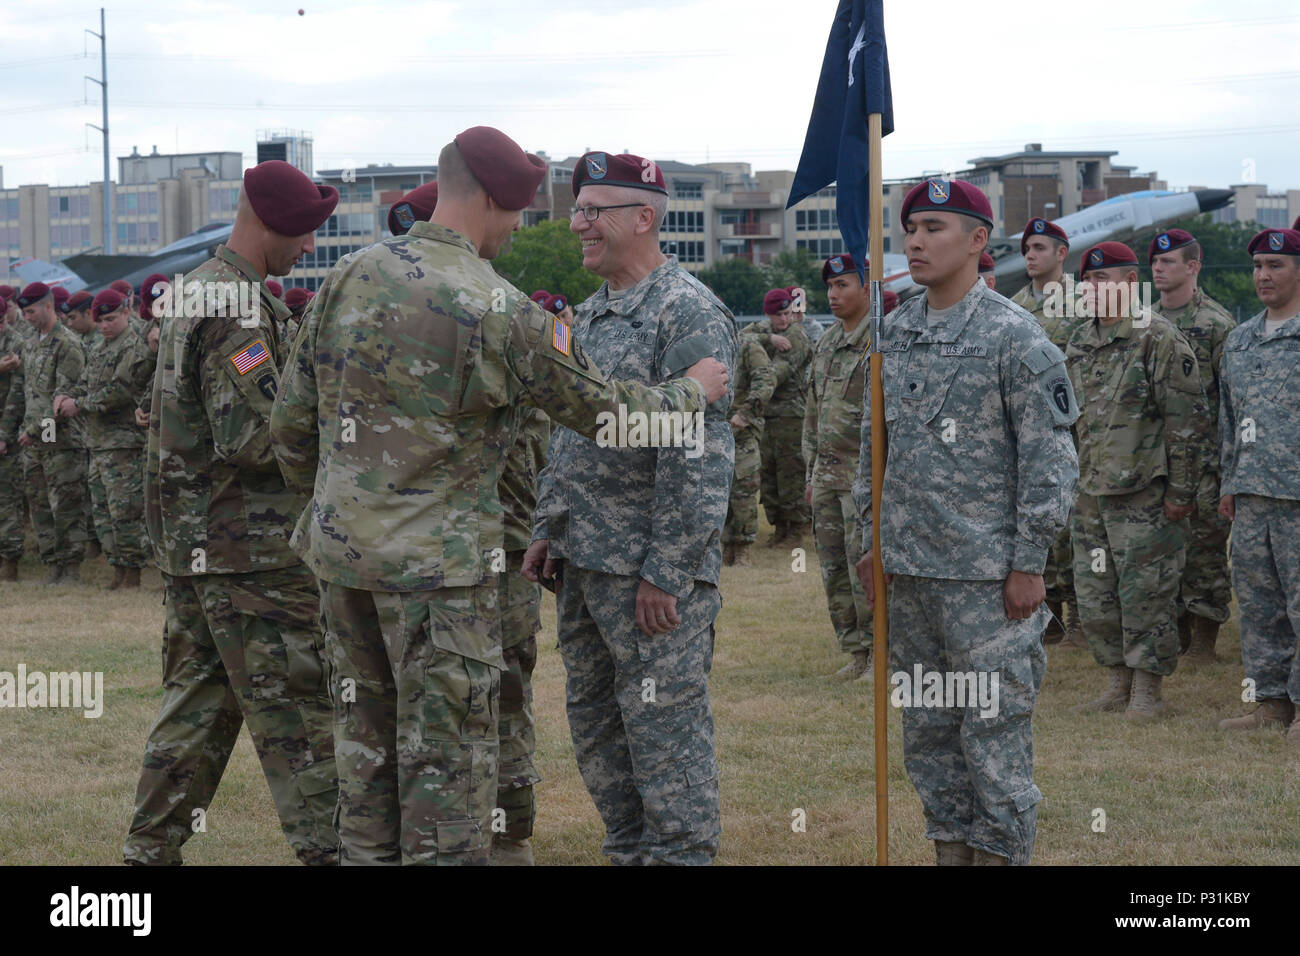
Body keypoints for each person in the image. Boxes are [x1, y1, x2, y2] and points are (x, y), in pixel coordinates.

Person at [270, 130, 728, 866]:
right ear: (490, 200)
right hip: (440, 581)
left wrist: (339, 511)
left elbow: (290, 428)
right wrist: (691, 392)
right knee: (445, 774)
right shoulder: (498, 305)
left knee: (366, 760)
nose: (523, 227)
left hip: (344, 568)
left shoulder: (348, 275)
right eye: (519, 211)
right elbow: (604, 413)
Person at [852, 179, 1079, 865]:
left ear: (979, 241)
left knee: (994, 739)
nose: (916, 241)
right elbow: (874, 446)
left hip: (985, 581)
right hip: (911, 574)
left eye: (935, 228)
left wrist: (1029, 561)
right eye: (911, 227)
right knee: (928, 735)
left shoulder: (1015, 336)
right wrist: (872, 539)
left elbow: (1052, 458)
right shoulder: (894, 332)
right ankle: (950, 853)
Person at [123, 159, 340, 866]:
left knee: (197, 708)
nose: (308, 249)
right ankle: (333, 852)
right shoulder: (235, 305)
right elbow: (254, 439)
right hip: (250, 553)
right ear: (268, 222)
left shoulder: (198, 291)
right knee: (301, 719)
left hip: (199, 544)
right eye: (303, 234)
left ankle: (149, 854)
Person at [525, 149, 738, 866]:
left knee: (663, 729)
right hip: (584, 562)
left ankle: (677, 855)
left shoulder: (687, 313)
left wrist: (667, 571)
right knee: (597, 725)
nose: (578, 224)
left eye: (594, 211)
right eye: (576, 209)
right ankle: (629, 851)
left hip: (648, 576)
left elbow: (699, 455)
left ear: (643, 217)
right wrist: (547, 524)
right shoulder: (590, 314)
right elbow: (570, 432)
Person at [1065, 241, 1209, 720]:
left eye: (1101, 279)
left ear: (1130, 283)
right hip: (1091, 494)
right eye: (1086, 280)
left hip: (1147, 492)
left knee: (1148, 594)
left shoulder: (1157, 337)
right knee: (1097, 593)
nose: (1090, 288)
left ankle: (1148, 691)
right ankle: (1117, 683)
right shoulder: (1080, 341)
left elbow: (1187, 419)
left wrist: (1182, 493)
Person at [1217, 227, 1300, 738]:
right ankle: (1269, 703)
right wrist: (1229, 481)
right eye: (1257, 267)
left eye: (1276, 266)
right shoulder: (1241, 340)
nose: (1263, 276)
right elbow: (1229, 418)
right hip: (1251, 494)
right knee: (1258, 603)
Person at [1148, 228, 1236, 662]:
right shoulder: (1143, 323)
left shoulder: (1217, 325)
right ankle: (1177, 632)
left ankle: (1205, 639)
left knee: (1204, 551)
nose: (1160, 269)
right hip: (1157, 461)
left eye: (1169, 262)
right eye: (1156, 263)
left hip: (1205, 461)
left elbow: (1233, 400)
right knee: (1165, 551)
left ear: (1193, 267)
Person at [1009, 217, 1083, 645]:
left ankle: (1079, 616)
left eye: (1040, 248)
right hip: (1027, 435)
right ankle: (1049, 613)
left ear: (1061, 253)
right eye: (1027, 249)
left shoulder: (1084, 302)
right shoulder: (1014, 307)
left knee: (1074, 529)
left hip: (1074, 430)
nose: (1031, 256)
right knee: (1041, 525)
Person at [54, 289, 154, 589]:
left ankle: (132, 572)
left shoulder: (132, 346)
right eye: (100, 321)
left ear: (126, 312)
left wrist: (79, 404)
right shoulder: (99, 347)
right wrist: (68, 396)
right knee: (103, 512)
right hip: (97, 442)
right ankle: (118, 568)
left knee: (125, 511)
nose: (105, 325)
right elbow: (85, 381)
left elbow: (121, 391)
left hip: (122, 443)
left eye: (111, 319)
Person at [805, 254, 873, 680]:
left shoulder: (881, 342)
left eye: (843, 285)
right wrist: (811, 473)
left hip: (862, 478)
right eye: (830, 287)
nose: (833, 294)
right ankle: (855, 651)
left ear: (868, 288)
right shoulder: (827, 341)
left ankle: (879, 651)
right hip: (828, 475)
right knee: (834, 570)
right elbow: (812, 412)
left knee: (862, 568)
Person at [0, 282, 88, 584]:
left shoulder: (67, 344)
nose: (25, 317)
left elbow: (65, 398)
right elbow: (20, 393)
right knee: (39, 505)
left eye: (31, 311)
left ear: (49, 306)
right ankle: (52, 565)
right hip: (32, 440)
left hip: (59, 440)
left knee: (65, 504)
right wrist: (8, 430)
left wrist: (35, 431)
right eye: (22, 312)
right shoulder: (29, 343)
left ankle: (71, 569)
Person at [745, 287, 813, 544]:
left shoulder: (796, 335)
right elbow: (741, 336)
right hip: (768, 415)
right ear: (768, 315)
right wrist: (768, 339)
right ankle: (779, 526)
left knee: (791, 473)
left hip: (790, 416)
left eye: (787, 313)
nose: (784, 320)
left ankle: (796, 528)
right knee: (769, 475)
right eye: (778, 315)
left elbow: (774, 374)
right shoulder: (768, 332)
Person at [722, 313, 776, 567]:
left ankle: (742, 547)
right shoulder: (701, 345)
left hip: (741, 431)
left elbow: (766, 380)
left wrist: (745, 414)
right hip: (710, 431)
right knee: (717, 490)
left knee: (743, 487)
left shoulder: (746, 346)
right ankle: (724, 545)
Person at [0, 295, 25, 580]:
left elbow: (17, 394)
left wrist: (4, 434)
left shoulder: (16, 343)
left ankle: (10, 560)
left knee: (7, 498)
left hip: (7, 427)